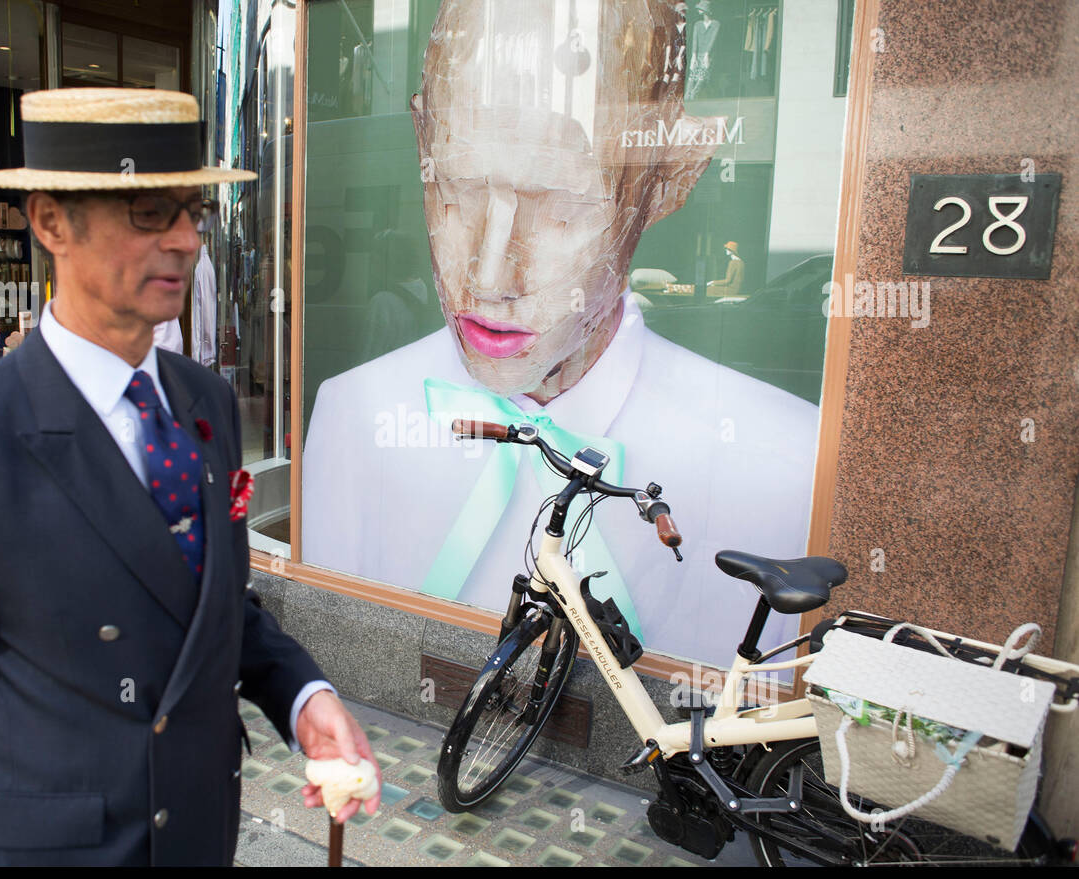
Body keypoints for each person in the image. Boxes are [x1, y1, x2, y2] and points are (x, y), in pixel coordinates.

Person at [0, 87, 379, 866]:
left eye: (195, 211)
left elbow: (211, 600)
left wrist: (303, 696)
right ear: (52, 221)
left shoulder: (207, 402)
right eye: (152, 213)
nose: (188, 240)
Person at [302, 0, 819, 668]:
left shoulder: (786, 463)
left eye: (560, 210)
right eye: (457, 189)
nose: (491, 274)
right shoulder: (354, 412)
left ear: (674, 174)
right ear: (422, 137)